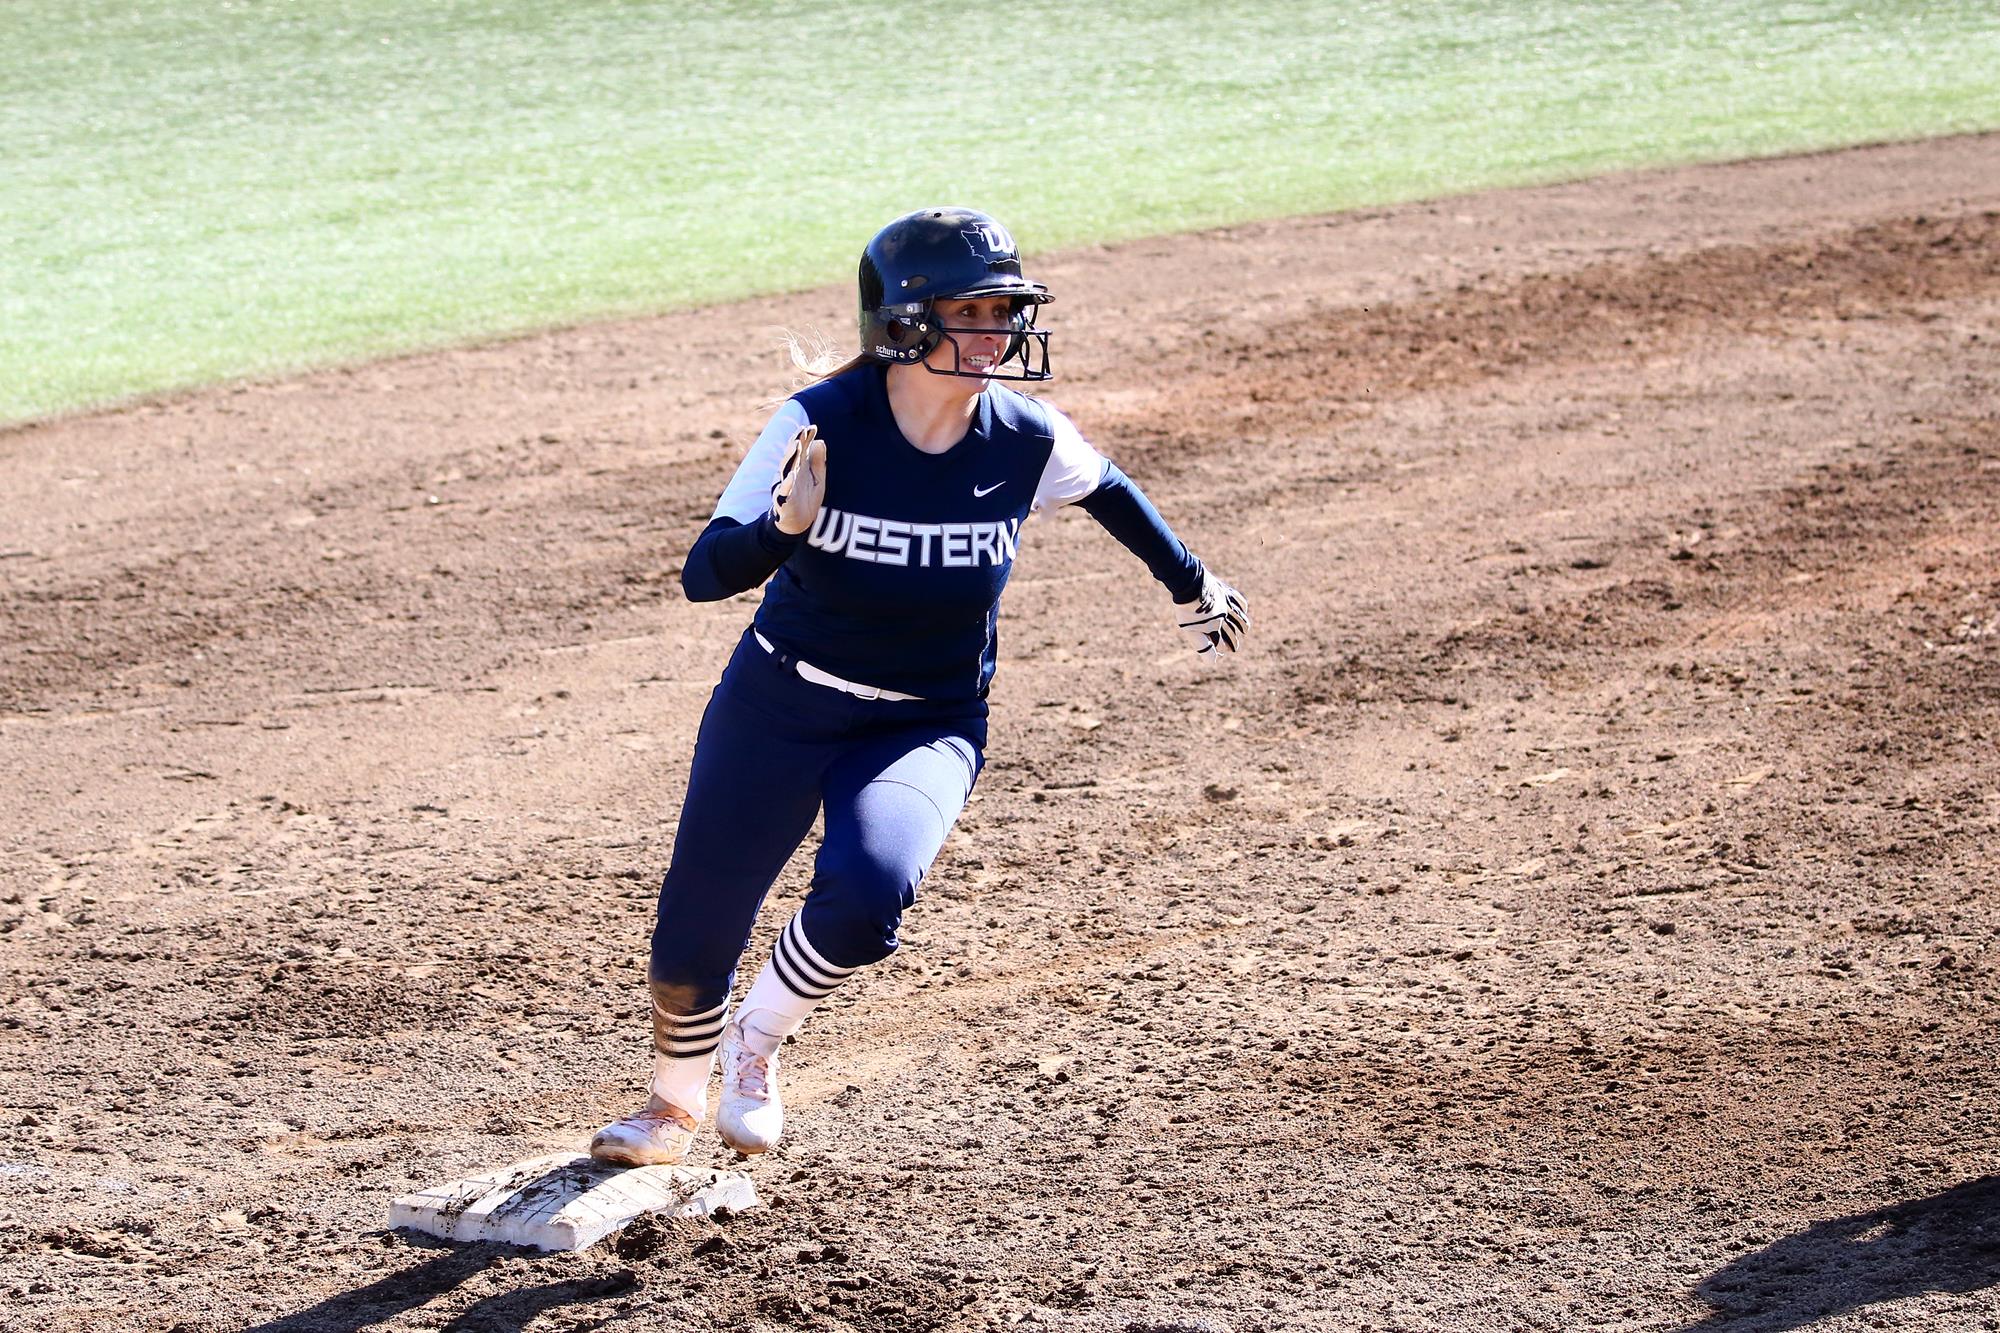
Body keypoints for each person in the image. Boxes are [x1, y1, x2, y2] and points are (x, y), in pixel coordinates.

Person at [589, 206, 1248, 1166]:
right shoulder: (819, 422)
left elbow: (1110, 490)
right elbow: (704, 571)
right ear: (904, 320)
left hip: (927, 723)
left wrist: (1193, 579)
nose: (1000, 333)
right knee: (692, 942)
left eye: (1007, 311)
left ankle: (757, 1045)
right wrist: (783, 530)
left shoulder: (1023, 437)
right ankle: (670, 1106)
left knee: (867, 899)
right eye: (973, 311)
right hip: (778, 705)